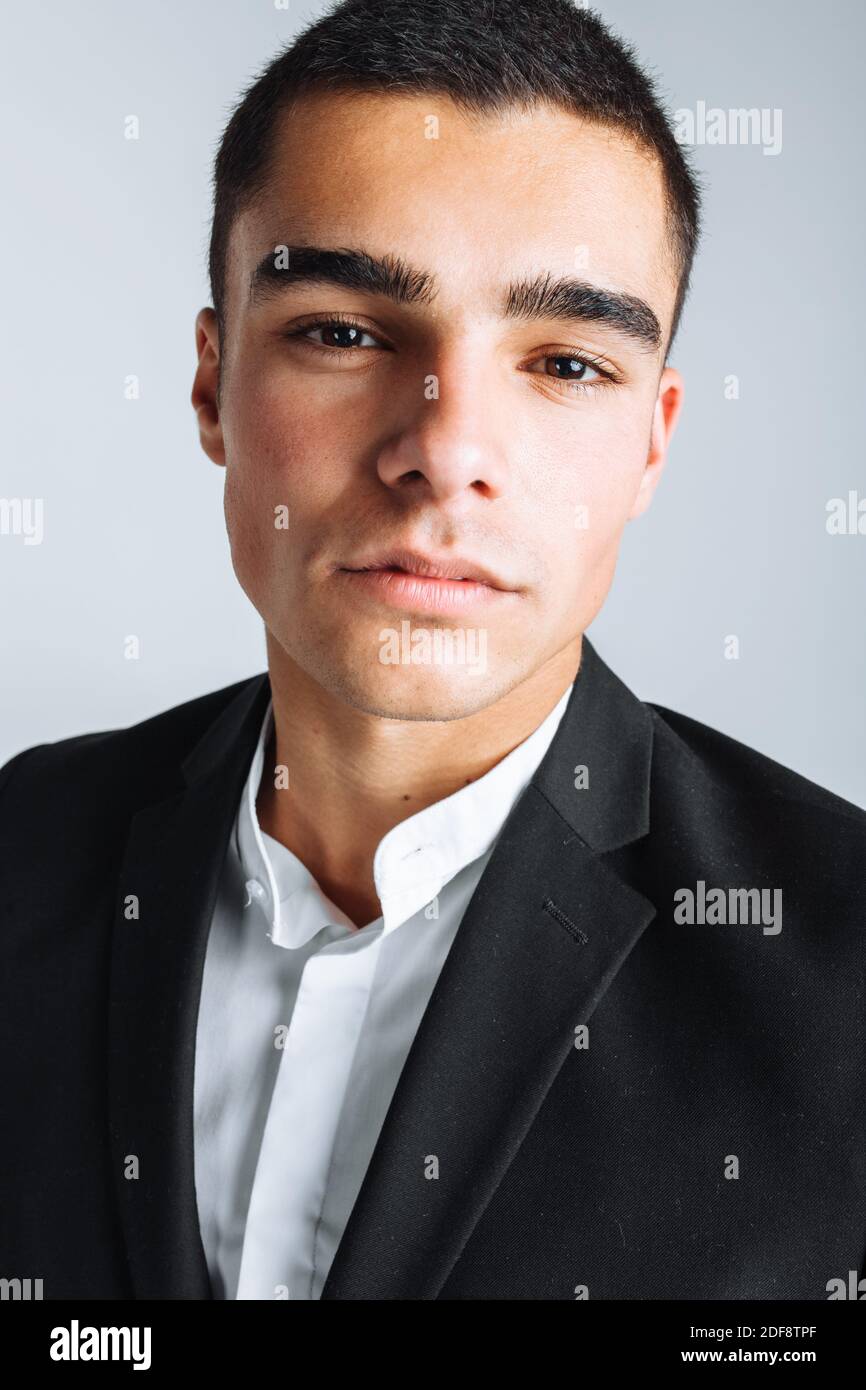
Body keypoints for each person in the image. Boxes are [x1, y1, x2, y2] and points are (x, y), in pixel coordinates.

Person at [1, 0, 864, 1302]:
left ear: (652, 440)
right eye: (344, 333)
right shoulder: (23, 849)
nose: (446, 450)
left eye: (566, 363)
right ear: (211, 381)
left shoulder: (844, 975)